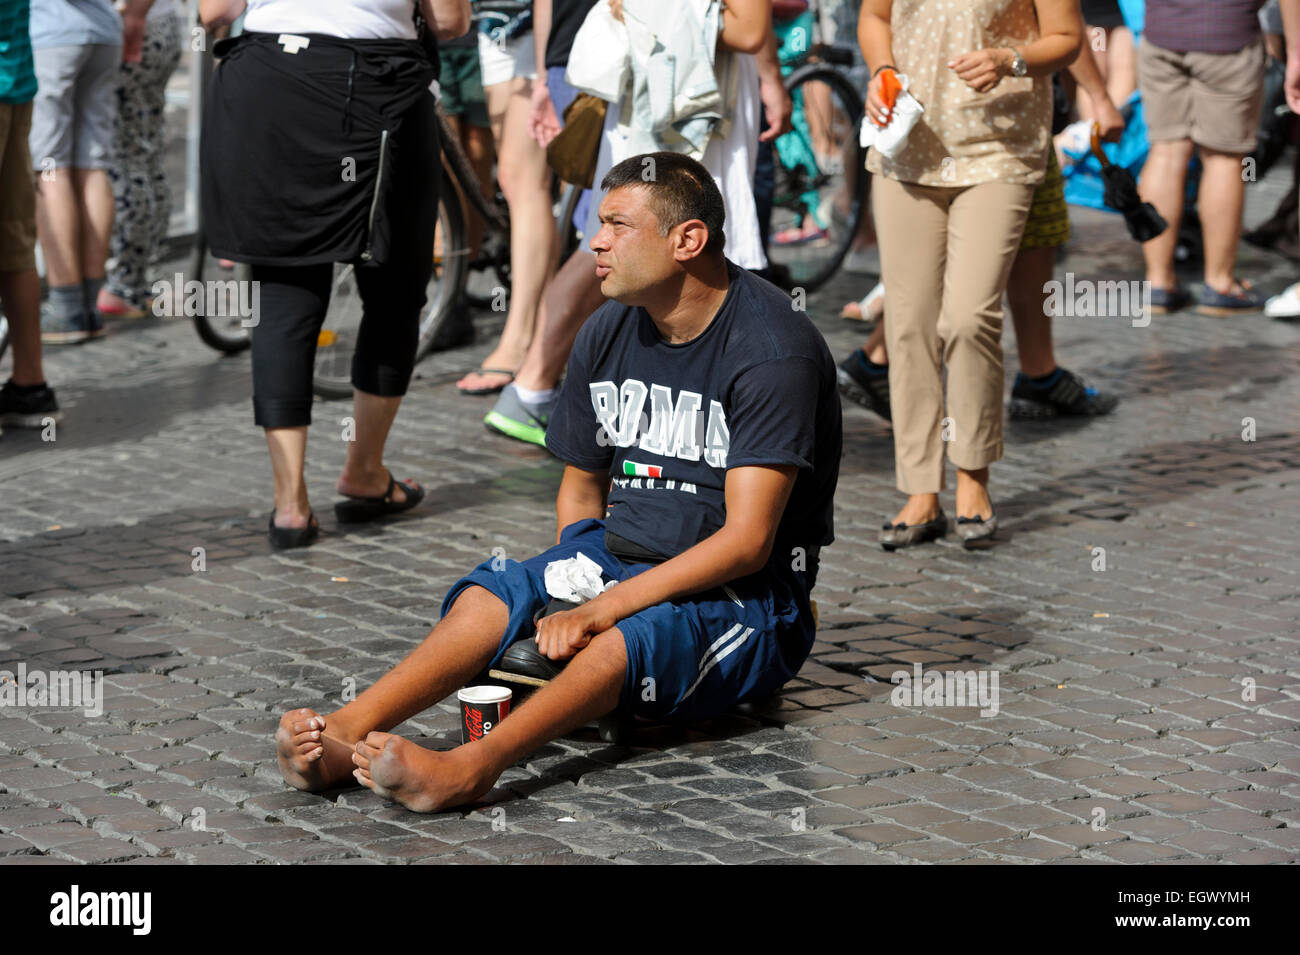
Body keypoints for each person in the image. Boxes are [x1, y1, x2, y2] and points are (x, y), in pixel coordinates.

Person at [274, 153, 842, 812]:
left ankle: (471, 767)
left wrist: (602, 608)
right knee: (494, 593)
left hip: (749, 596)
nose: (596, 241)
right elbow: (579, 489)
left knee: (625, 636)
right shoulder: (607, 328)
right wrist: (576, 571)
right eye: (599, 223)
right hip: (620, 554)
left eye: (617, 225)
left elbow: (746, 543)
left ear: (688, 240)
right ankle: (342, 734)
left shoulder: (773, 349)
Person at [199, 0, 471, 548]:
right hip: (376, 87)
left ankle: (290, 506)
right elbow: (449, 22)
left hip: (268, 79)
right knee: (394, 288)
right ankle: (365, 472)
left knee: (281, 291)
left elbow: (214, 11)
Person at [483, 0, 786, 447]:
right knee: (670, 247)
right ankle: (548, 387)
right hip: (686, 89)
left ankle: (540, 386)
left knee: (610, 244)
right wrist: (770, 76)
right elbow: (748, 30)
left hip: (648, 82)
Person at [859, 0, 1082, 550]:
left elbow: (1068, 38)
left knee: (967, 317)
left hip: (999, 150)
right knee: (909, 322)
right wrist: (882, 70)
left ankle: (972, 475)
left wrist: (1011, 59)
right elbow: (875, 16)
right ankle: (919, 489)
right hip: (908, 145)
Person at [838, 35, 1122, 422]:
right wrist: (1099, 96)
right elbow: (1064, 29)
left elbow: (1063, 27)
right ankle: (880, 360)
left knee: (1032, 235)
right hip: (990, 127)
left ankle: (1038, 373)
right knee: (963, 269)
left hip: (994, 119)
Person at [1138, 0, 1268, 314]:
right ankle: (1220, 283)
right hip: (1227, 33)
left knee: (1165, 151)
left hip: (1161, 33)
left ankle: (1157, 282)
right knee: (1224, 157)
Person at [455, 1, 556, 396]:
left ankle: (522, 340)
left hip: (534, 22)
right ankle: (541, 324)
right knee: (518, 182)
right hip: (495, 23)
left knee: (524, 183)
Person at [29, 0, 123, 344]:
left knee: (50, 166)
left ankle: (66, 308)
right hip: (104, 33)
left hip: (51, 35)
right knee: (93, 165)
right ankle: (90, 306)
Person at [97, 0, 182, 319]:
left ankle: (125, 283)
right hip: (157, 27)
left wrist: (133, 16)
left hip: (139, 26)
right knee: (145, 155)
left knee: (127, 159)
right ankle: (141, 277)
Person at [0, 0, 62, 430]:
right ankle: (30, 384)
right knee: (14, 241)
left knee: (16, 241)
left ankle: (30, 385)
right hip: (17, 83)